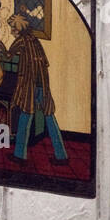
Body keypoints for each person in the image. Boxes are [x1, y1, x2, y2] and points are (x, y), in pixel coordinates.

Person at [7, 11, 68, 163]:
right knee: (49, 116)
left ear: (19, 29)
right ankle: (62, 156)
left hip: (31, 85)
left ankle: (20, 155)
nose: (11, 32)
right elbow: (44, 62)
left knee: (25, 117)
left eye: (13, 29)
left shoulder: (21, 40)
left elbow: (8, 55)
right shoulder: (34, 40)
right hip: (43, 84)